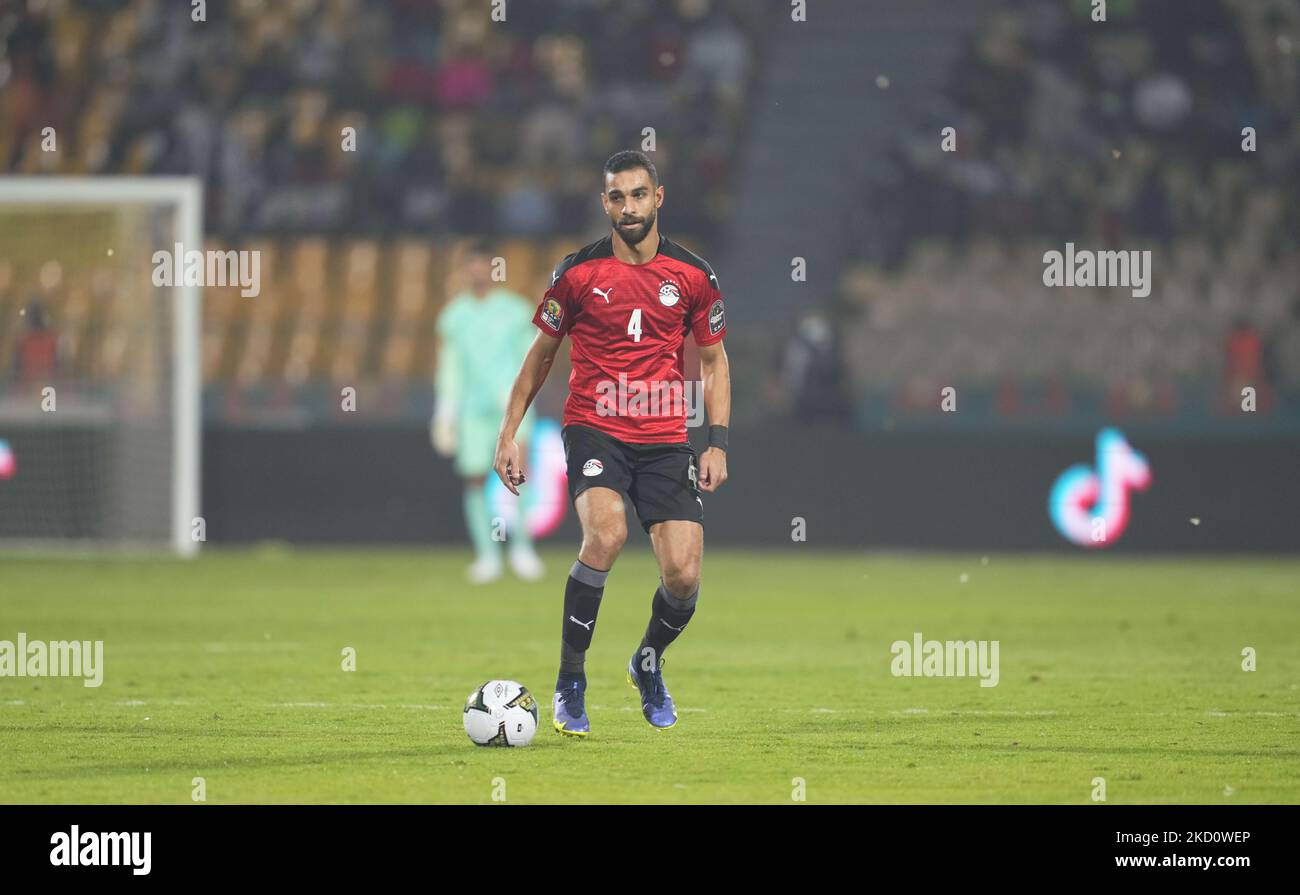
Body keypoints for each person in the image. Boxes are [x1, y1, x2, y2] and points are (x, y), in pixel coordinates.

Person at [493, 150, 731, 735]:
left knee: (683, 576)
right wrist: (508, 433)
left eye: (638, 195)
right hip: (595, 424)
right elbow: (540, 357)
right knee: (606, 534)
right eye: (617, 197)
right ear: (605, 203)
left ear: (659, 197)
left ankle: (647, 663)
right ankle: (570, 680)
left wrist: (717, 442)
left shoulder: (694, 276)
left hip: (665, 435)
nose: (628, 207)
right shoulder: (576, 273)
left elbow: (715, 360)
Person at [433, 239, 544, 583]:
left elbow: (532, 360)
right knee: (476, 478)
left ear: (495, 268)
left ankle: (522, 548)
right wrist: (446, 410)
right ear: (465, 270)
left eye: (485, 264)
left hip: (510, 407)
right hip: (472, 409)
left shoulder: (514, 310)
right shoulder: (454, 316)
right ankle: (487, 554)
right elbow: (449, 365)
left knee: (518, 473)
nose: (478, 271)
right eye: (472, 265)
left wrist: (520, 398)